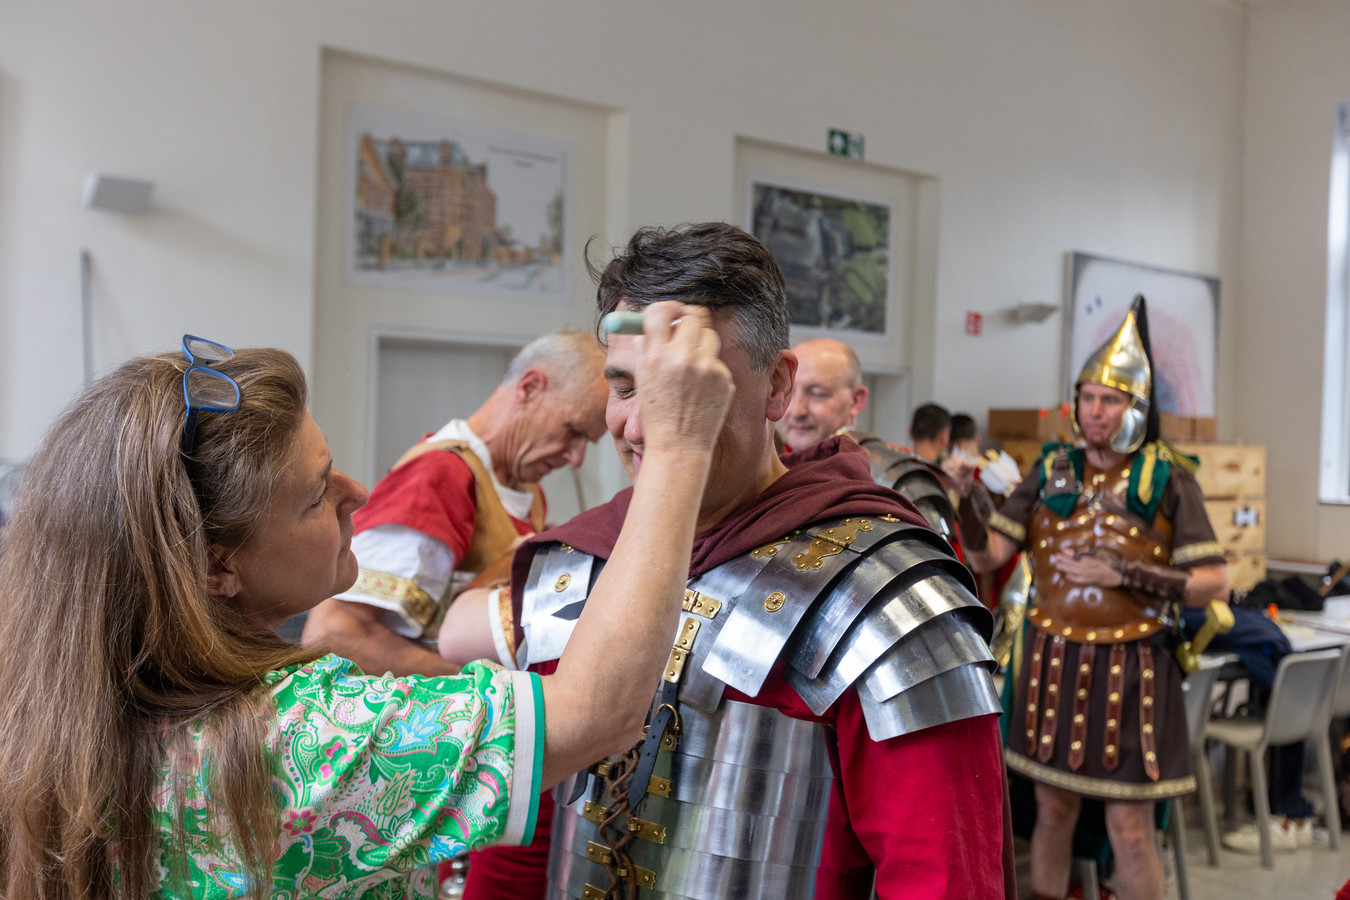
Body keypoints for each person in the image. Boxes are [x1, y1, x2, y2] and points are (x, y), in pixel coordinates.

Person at [0, 326, 733, 899]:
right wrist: (678, 447)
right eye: (316, 495)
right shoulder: (298, 740)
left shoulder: (44, 706)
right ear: (218, 565)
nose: (357, 493)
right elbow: (594, 714)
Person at [461, 223, 1013, 900]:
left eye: (688, 389)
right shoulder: (573, 564)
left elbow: (944, 878)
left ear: (777, 386)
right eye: (627, 387)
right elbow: (523, 838)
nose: (640, 427)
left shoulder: (886, 598)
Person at [960, 297, 1228, 900]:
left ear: (1136, 407)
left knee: (1129, 828)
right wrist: (963, 499)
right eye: (1087, 397)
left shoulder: (1169, 477)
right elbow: (987, 558)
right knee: (1052, 812)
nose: (1095, 410)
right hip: (1053, 659)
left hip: (1134, 665)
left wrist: (1128, 576)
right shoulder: (1053, 467)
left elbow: (1215, 584)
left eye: (1110, 399)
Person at [303, 329, 607, 677]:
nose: (577, 457)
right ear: (530, 388)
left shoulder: (528, 491)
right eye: (573, 431)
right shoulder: (440, 475)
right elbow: (334, 633)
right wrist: (508, 694)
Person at [775, 336, 869, 450]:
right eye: (787, 392)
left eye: (817, 394)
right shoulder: (760, 463)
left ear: (856, 401)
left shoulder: (872, 464)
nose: (797, 411)